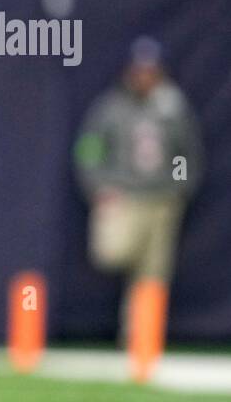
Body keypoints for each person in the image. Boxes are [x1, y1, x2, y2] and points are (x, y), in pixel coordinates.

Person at [75, 38, 204, 341]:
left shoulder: (173, 106)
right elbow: (89, 150)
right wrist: (99, 185)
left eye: (150, 70)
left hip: (160, 199)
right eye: (140, 70)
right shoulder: (110, 107)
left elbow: (184, 154)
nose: (144, 76)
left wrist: (178, 186)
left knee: (153, 273)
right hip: (123, 196)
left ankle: (140, 337)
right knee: (112, 253)